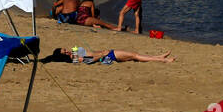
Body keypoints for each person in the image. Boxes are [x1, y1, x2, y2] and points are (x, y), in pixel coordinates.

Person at [45, 46, 174, 64]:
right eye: (65, 52)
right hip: (108, 56)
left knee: (134, 55)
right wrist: (102, 54)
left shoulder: (73, 54)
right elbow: (89, 59)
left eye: (65, 49)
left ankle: (159, 57)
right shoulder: (73, 58)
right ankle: (162, 60)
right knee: (134, 56)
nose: (67, 51)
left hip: (107, 54)